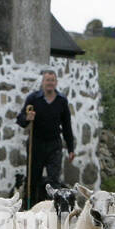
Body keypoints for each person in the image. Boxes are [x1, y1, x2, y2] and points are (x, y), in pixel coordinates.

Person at [16, 69, 75, 210]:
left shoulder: (61, 100)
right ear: (43, 82)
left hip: (54, 144)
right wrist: (27, 118)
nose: (50, 83)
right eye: (47, 80)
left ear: (56, 82)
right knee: (33, 179)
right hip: (36, 144)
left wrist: (71, 148)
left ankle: (53, 209)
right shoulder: (33, 99)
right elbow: (20, 120)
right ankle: (30, 208)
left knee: (54, 180)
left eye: (52, 80)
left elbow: (67, 126)